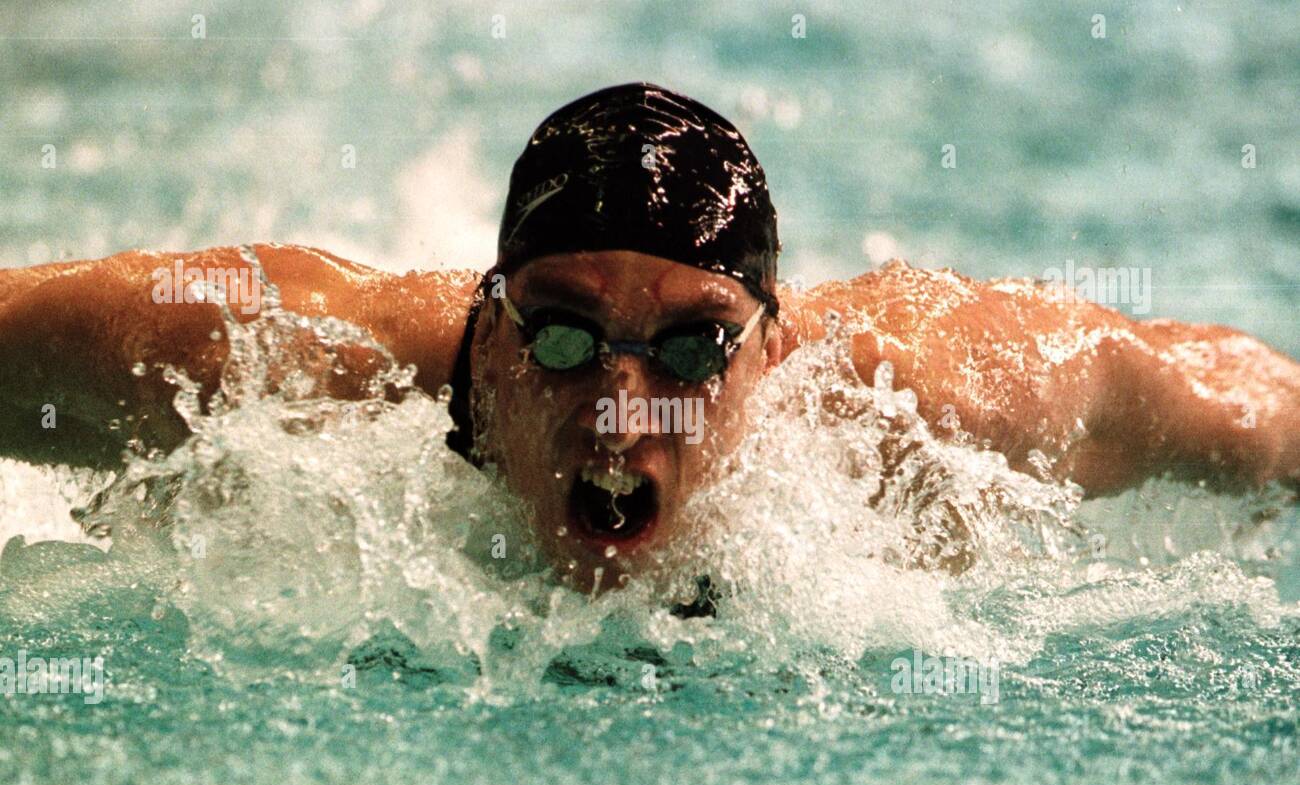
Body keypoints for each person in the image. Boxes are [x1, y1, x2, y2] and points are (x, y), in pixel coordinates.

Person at [1, 82, 1296, 588]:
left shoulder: (944, 394)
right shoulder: (291, 358)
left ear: (775, 358)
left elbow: (1253, 407)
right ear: (488, 336)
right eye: (564, 339)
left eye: (690, 351)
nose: (621, 410)